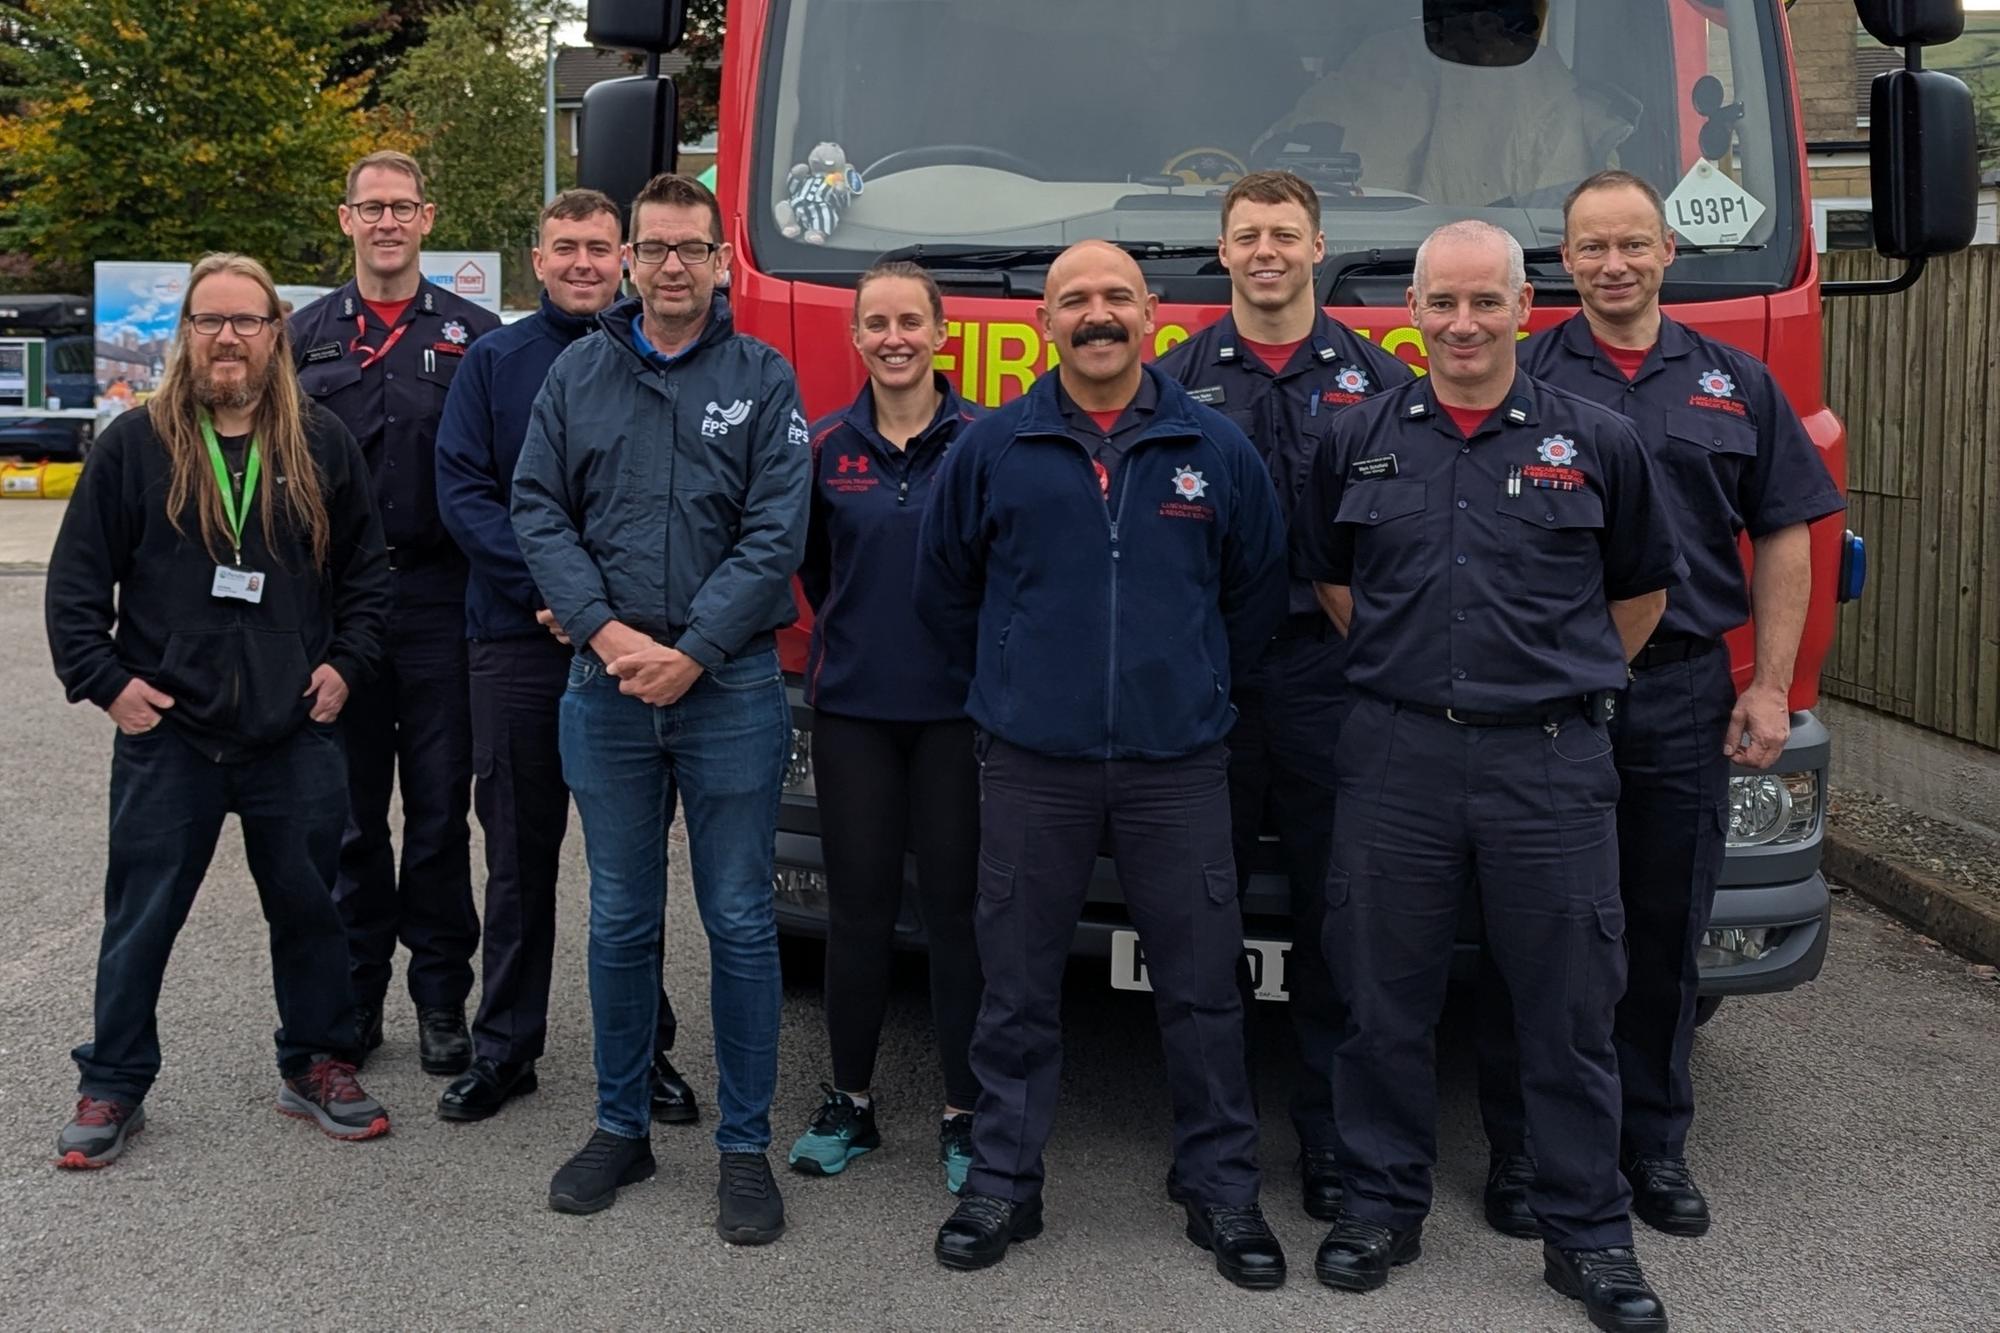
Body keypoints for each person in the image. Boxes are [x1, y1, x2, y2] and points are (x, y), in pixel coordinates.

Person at [1291, 220, 1681, 1332]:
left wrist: (1547, 678)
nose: (1462, 324)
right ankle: (1376, 1205)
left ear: (1523, 308)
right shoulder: (1353, 439)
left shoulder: (1596, 441)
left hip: (1547, 765)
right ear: (1409, 312)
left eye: (1483, 302)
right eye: (1441, 303)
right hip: (1395, 757)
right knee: (1381, 999)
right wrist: (1417, 671)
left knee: (1566, 1009)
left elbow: (1641, 593)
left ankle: (1586, 1235)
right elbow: (1331, 578)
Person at [1474, 170, 1846, 1240]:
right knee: (1526, 931)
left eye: (1631, 244)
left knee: (1658, 924)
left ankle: (1650, 1146)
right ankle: (1521, 1150)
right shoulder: (1523, 373)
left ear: (1665, 253)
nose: (1612, 264)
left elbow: (1783, 530)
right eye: (1591, 247)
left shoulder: (1731, 382)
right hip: (1544, 694)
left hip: (1681, 689)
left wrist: (1767, 685)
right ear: (1564, 261)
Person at [917, 240, 1291, 1290]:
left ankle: (1219, 1184)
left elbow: (1253, 594)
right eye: (1073, 298)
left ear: (1149, 316)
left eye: (1115, 297)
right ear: (1043, 322)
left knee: (1204, 983)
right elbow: (947, 594)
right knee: (1017, 984)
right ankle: (1001, 1179)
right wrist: (1014, 686)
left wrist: (1193, 685)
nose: (1095, 314)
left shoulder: (1213, 449)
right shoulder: (990, 449)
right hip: (1034, 763)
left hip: (1178, 765)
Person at [511, 173, 809, 1244]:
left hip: (725, 688)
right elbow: (536, 509)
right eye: (655, 248)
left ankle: (742, 1147)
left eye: (692, 247)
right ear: (630, 261)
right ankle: (620, 1126)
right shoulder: (576, 376)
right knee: (621, 917)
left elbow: (777, 531)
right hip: (607, 687)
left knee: (738, 921)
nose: (671, 265)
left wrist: (692, 650)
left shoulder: (763, 379)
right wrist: (606, 633)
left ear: (724, 261)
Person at [46, 252, 394, 1166]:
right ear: (186, 334)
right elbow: (76, 586)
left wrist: (346, 668)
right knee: (141, 915)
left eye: (248, 320)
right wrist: (111, 685)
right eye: (211, 321)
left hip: (294, 733)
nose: (228, 337)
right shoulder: (133, 446)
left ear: (278, 334)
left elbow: (368, 576)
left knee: (311, 907)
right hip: (172, 736)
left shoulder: (318, 443)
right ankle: (114, 1079)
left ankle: (316, 1060)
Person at [1157, 169, 1413, 1223]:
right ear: (1220, 253)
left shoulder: (1373, 381)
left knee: (1336, 924)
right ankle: (1208, 1152)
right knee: (1196, 926)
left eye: (1284, 234)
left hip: (1327, 681)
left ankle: (1329, 1142)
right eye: (1246, 235)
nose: (1265, 251)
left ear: (1318, 247)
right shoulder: (1172, 383)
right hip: (1210, 680)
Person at [433, 188, 700, 1126]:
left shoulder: (661, 359)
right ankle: (505, 1045)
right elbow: (464, 491)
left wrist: (603, 618)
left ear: (625, 257)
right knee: (517, 855)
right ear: (536, 261)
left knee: (630, 868)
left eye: (599, 248)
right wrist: (550, 596)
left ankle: (646, 1051)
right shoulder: (494, 363)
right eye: (565, 249)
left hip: (629, 651)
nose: (583, 263)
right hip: (520, 639)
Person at [290, 150, 501, 1076]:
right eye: (369, 207)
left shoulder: (476, 337)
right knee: (348, 813)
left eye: (401, 207)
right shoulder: (298, 338)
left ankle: (442, 994)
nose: (385, 222)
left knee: (440, 810)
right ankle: (356, 986)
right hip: (337, 607)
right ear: (346, 220)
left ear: (427, 217)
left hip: (441, 599)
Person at [786, 261, 985, 1192]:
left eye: (912, 319)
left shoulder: (987, 443)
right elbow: (817, 573)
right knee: (857, 911)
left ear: (942, 332)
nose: (895, 336)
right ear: (854, 338)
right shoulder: (825, 447)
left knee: (955, 913)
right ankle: (851, 1101)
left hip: (959, 715)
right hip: (855, 712)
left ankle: (965, 1112)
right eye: (878, 323)